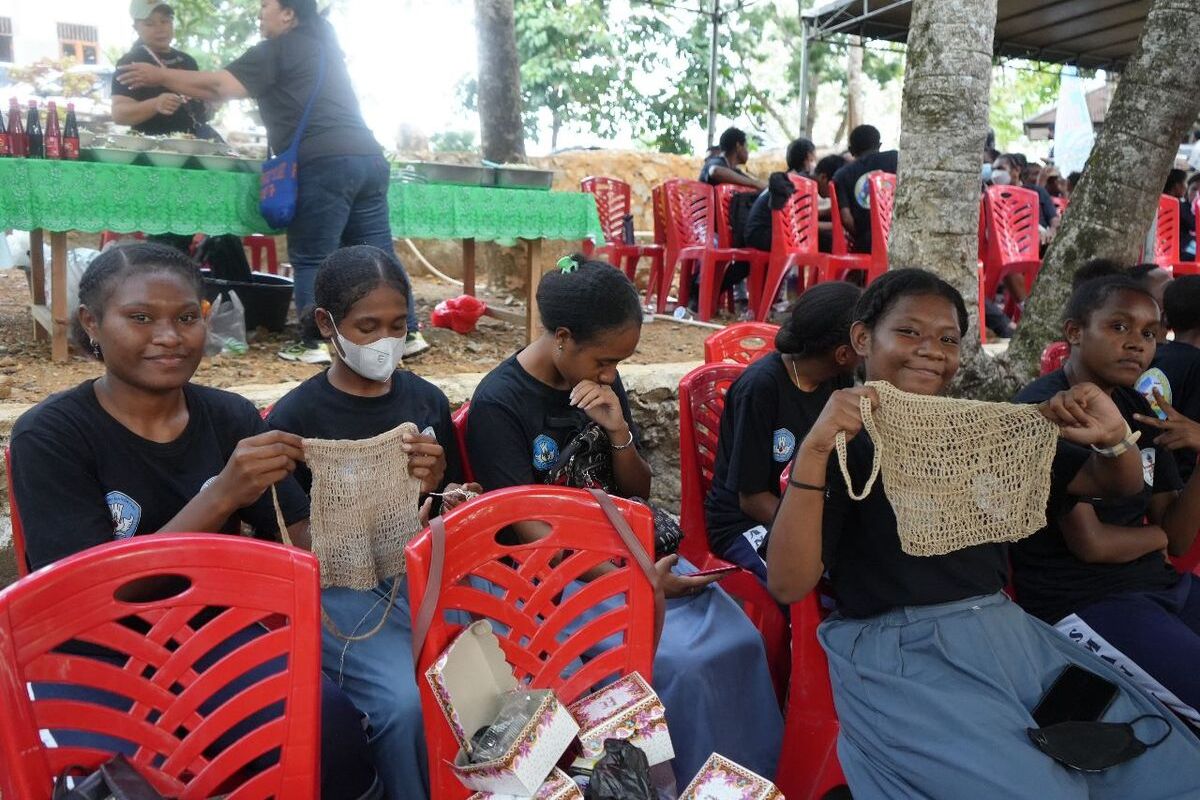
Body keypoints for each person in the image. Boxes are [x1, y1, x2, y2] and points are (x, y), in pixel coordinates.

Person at [766, 268, 1200, 798]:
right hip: (903, 654)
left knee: (1166, 764)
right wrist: (813, 448)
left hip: (1007, 636)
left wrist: (1114, 439)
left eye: (948, 339)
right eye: (909, 332)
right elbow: (788, 584)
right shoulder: (840, 441)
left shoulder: (982, 430)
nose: (931, 350)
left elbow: (1116, 484)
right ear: (862, 339)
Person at [8, 243, 382, 800]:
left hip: (217, 639)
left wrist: (396, 491)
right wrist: (221, 496)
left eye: (187, 317)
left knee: (330, 729)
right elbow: (88, 598)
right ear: (91, 323)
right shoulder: (51, 436)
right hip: (98, 656)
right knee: (116, 778)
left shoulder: (228, 415)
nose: (169, 336)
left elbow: (304, 542)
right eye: (140, 318)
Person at [465, 256, 783, 786]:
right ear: (562, 338)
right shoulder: (499, 404)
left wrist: (617, 431)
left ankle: (741, 786)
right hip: (561, 587)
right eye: (605, 361)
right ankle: (676, 787)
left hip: (632, 559)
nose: (612, 374)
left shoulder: (603, 382)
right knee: (680, 663)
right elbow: (534, 537)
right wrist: (636, 580)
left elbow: (636, 492)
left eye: (620, 363)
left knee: (740, 641)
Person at [267, 245, 476, 800]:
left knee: (485, 671)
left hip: (420, 571)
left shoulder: (425, 399)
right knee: (404, 703)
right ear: (325, 324)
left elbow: (446, 502)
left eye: (398, 325)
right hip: (339, 592)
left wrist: (435, 488)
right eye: (367, 326)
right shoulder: (296, 419)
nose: (385, 341)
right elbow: (295, 538)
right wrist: (364, 496)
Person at [116, 0, 429, 365]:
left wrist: (160, 77)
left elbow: (220, 86)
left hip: (324, 161)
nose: (260, 12)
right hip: (369, 158)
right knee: (379, 254)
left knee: (312, 255)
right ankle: (406, 333)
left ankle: (314, 339)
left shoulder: (280, 47)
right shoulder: (323, 47)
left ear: (288, 14)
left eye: (266, 5)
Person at [1013, 275, 1200, 726]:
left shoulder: (1141, 408)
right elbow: (1092, 545)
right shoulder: (1050, 410)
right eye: (1119, 327)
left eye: (1150, 333)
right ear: (1075, 332)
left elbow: (1176, 539)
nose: (1137, 344)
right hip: (1086, 604)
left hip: (1158, 587)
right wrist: (1155, 535)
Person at [705, 282, 859, 582]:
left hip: (804, 512)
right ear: (842, 353)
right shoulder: (760, 389)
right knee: (802, 578)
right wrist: (814, 532)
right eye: (865, 340)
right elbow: (751, 499)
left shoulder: (837, 381)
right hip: (744, 522)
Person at [112, 2, 214, 139]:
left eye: (165, 21)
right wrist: (155, 104)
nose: (160, 29)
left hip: (193, 143)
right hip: (153, 148)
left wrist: (211, 105)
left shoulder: (187, 61)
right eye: (149, 24)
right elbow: (119, 115)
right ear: (136, 27)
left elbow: (201, 110)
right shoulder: (131, 62)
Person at [1140, 275, 1200, 482]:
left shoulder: (1150, 356)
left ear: (1165, 319)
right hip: (1180, 486)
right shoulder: (1196, 364)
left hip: (1144, 475)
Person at [831, 124, 898, 253]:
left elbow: (846, 218)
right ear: (879, 145)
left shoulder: (842, 175)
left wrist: (863, 235)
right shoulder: (895, 158)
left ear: (851, 150)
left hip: (867, 243)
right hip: (898, 234)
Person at [742, 137, 816, 253]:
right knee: (822, 239)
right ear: (808, 157)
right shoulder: (795, 183)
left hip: (758, 233)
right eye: (813, 157)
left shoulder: (786, 180)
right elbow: (800, 222)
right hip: (761, 236)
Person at [699, 126, 766, 191]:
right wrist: (754, 183)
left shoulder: (734, 171)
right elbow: (715, 171)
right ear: (738, 146)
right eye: (746, 146)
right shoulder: (716, 162)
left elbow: (761, 185)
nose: (747, 152)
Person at [1164, 168, 1194, 262]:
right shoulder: (1176, 205)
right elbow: (1193, 225)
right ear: (1177, 186)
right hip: (1177, 250)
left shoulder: (1161, 200)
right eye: (1185, 183)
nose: (1186, 187)